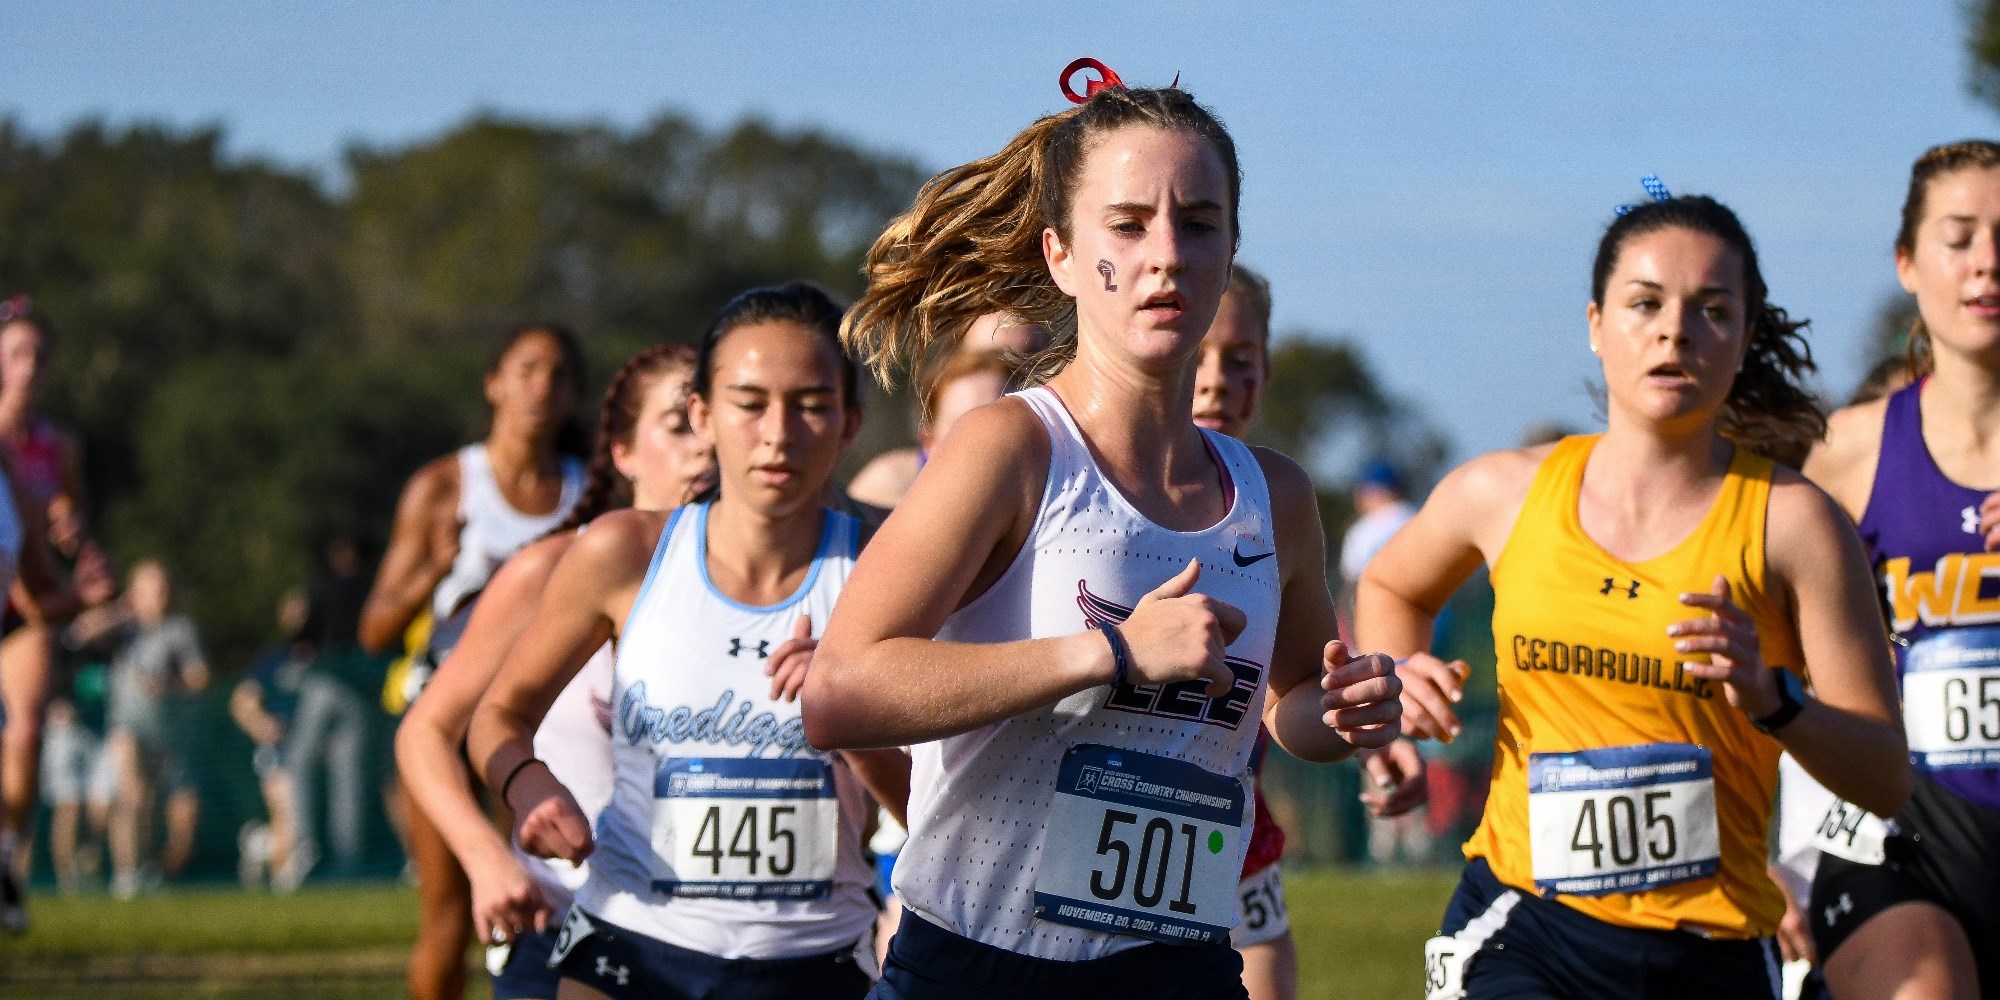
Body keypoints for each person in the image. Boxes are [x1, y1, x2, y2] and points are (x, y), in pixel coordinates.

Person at [805, 63, 1403, 1000]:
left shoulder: (1275, 494)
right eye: (1128, 224)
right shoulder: (1011, 448)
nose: (1167, 253)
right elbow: (839, 693)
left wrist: (1346, 713)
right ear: (1062, 256)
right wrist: (1111, 652)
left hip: (1183, 973)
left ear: (1230, 246)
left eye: (1198, 224)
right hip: (976, 971)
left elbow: (1293, 709)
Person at [1361, 187, 1910, 999]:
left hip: (1710, 950)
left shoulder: (1795, 525)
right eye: (1644, 303)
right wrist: (1399, 676)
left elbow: (1883, 775)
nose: (1674, 330)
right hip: (1524, 925)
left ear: (1745, 335)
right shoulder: (1504, 492)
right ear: (1595, 324)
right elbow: (1390, 582)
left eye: (1712, 310)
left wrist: (1774, 699)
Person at [469, 283, 908, 999]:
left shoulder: (889, 571)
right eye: (750, 402)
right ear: (702, 414)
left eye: (811, 405)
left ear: (850, 421)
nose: (778, 432)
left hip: (816, 961)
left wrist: (847, 719)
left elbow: (938, 808)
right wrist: (529, 788)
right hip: (630, 946)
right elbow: (497, 718)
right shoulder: (624, 554)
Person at [398, 343, 712, 1000]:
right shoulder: (551, 570)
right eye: (679, 424)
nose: (703, 446)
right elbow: (424, 733)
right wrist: (487, 860)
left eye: (716, 421)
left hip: (723, 935)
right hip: (565, 919)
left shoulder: (776, 585)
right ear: (622, 453)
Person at [1193, 262, 1428, 1000]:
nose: (1218, 379)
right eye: (1200, 352)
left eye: (1241, 361)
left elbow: (1293, 695)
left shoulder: (1275, 504)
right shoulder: (1061, 472)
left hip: (1230, 842)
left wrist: (1359, 721)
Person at [1802, 140, 2000, 1000]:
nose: (1988, 261)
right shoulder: (1847, 451)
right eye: (1960, 238)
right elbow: (1754, 657)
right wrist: (1780, 855)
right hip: (1903, 842)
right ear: (1908, 262)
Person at [360, 323, 587, 1000]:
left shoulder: (592, 487)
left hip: (542, 719)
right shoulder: (446, 486)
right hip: (450, 715)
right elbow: (374, 629)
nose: (540, 387)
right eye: (525, 369)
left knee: (543, 905)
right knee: (452, 913)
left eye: (558, 374)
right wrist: (434, 568)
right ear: (493, 382)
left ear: (576, 393)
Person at [0, 296, 114, 930]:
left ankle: (7, 861)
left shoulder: (55, 447)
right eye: (18, 352)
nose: (30, 366)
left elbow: (69, 532)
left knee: (25, 730)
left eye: (40, 355)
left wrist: (83, 559)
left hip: (24, 600)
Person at [103, 560, 211, 898]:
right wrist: (116, 611)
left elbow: (200, 677)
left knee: (157, 803)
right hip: (126, 724)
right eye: (150, 587)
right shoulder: (121, 626)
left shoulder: (180, 629)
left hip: (167, 730)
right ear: (135, 592)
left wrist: (169, 683)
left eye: (163, 587)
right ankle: (125, 873)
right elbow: (76, 633)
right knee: (132, 792)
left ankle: (146, 866)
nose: (158, 595)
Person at [846, 348, 1017, 509]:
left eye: (1001, 423)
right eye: (964, 423)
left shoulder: (1035, 497)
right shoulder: (888, 486)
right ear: (929, 437)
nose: (984, 438)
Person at [229, 587, 310, 889]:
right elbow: (242, 701)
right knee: (287, 809)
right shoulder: (273, 658)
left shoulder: (322, 655)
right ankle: (283, 879)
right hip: (278, 748)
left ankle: (258, 844)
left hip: (314, 748)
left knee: (302, 814)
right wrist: (260, 724)